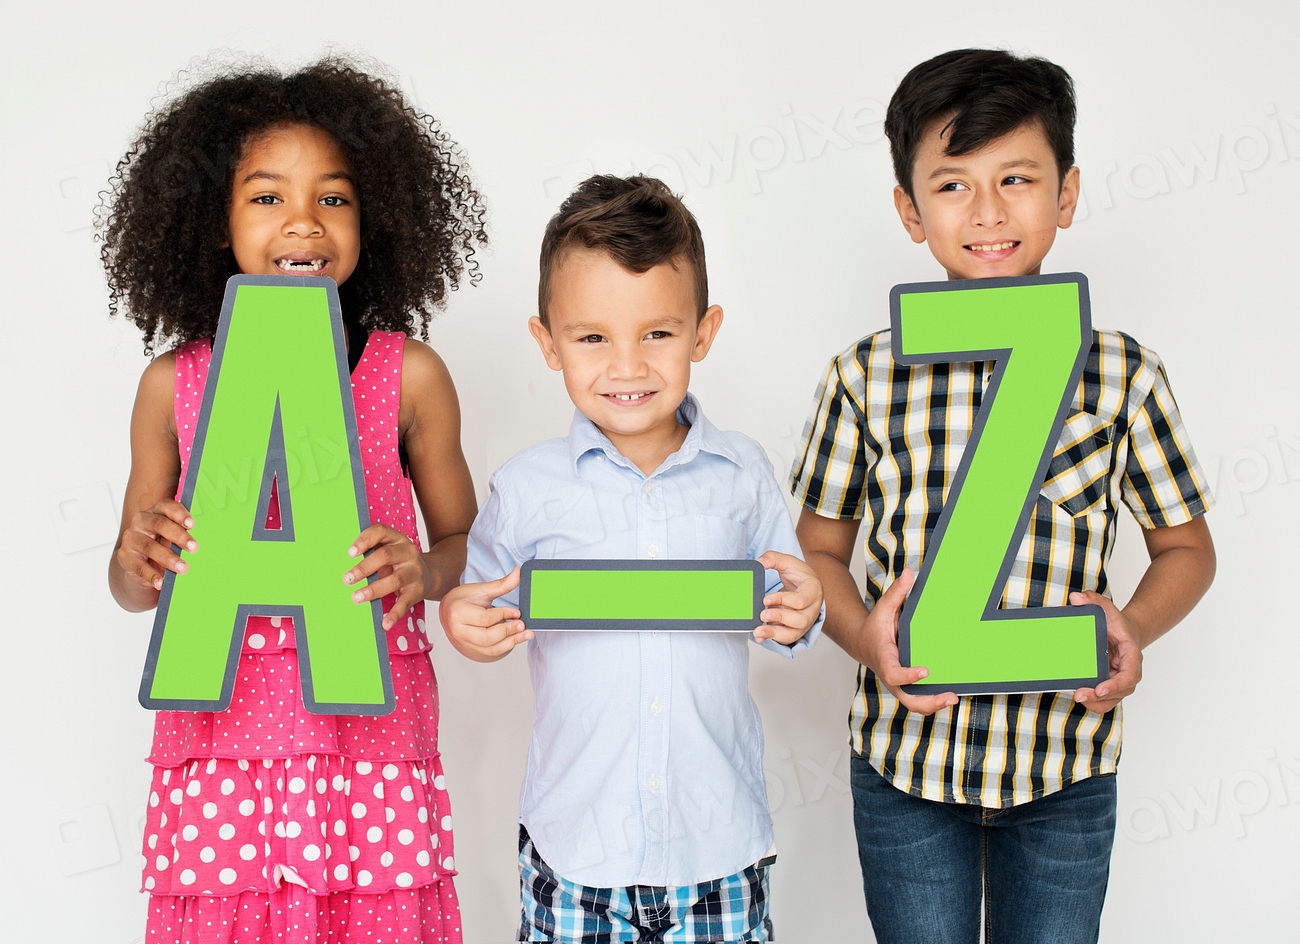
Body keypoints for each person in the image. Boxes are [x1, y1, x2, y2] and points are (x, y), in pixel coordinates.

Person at [790, 49, 1217, 944]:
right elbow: (820, 551)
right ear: (909, 210)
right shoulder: (865, 375)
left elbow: (1187, 548)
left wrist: (1132, 625)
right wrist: (865, 636)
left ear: (1064, 194)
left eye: (1017, 178)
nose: (987, 212)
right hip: (909, 768)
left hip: (1064, 765)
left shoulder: (1122, 372)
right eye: (952, 185)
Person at [102, 57, 486, 944]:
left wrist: (422, 568)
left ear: (376, 215)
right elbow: (134, 587)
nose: (304, 222)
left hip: (371, 742)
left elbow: (469, 539)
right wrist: (134, 560)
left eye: (336, 198)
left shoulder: (408, 375)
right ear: (215, 222)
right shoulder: (175, 386)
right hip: (222, 749)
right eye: (267, 197)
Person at [439, 175, 824, 942]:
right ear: (547, 343)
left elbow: (790, 603)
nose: (627, 366)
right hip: (573, 845)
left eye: (657, 333)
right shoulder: (526, 488)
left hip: (717, 848)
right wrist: (461, 620)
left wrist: (801, 609)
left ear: (703, 333)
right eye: (591, 338)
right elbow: (478, 601)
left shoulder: (742, 472)